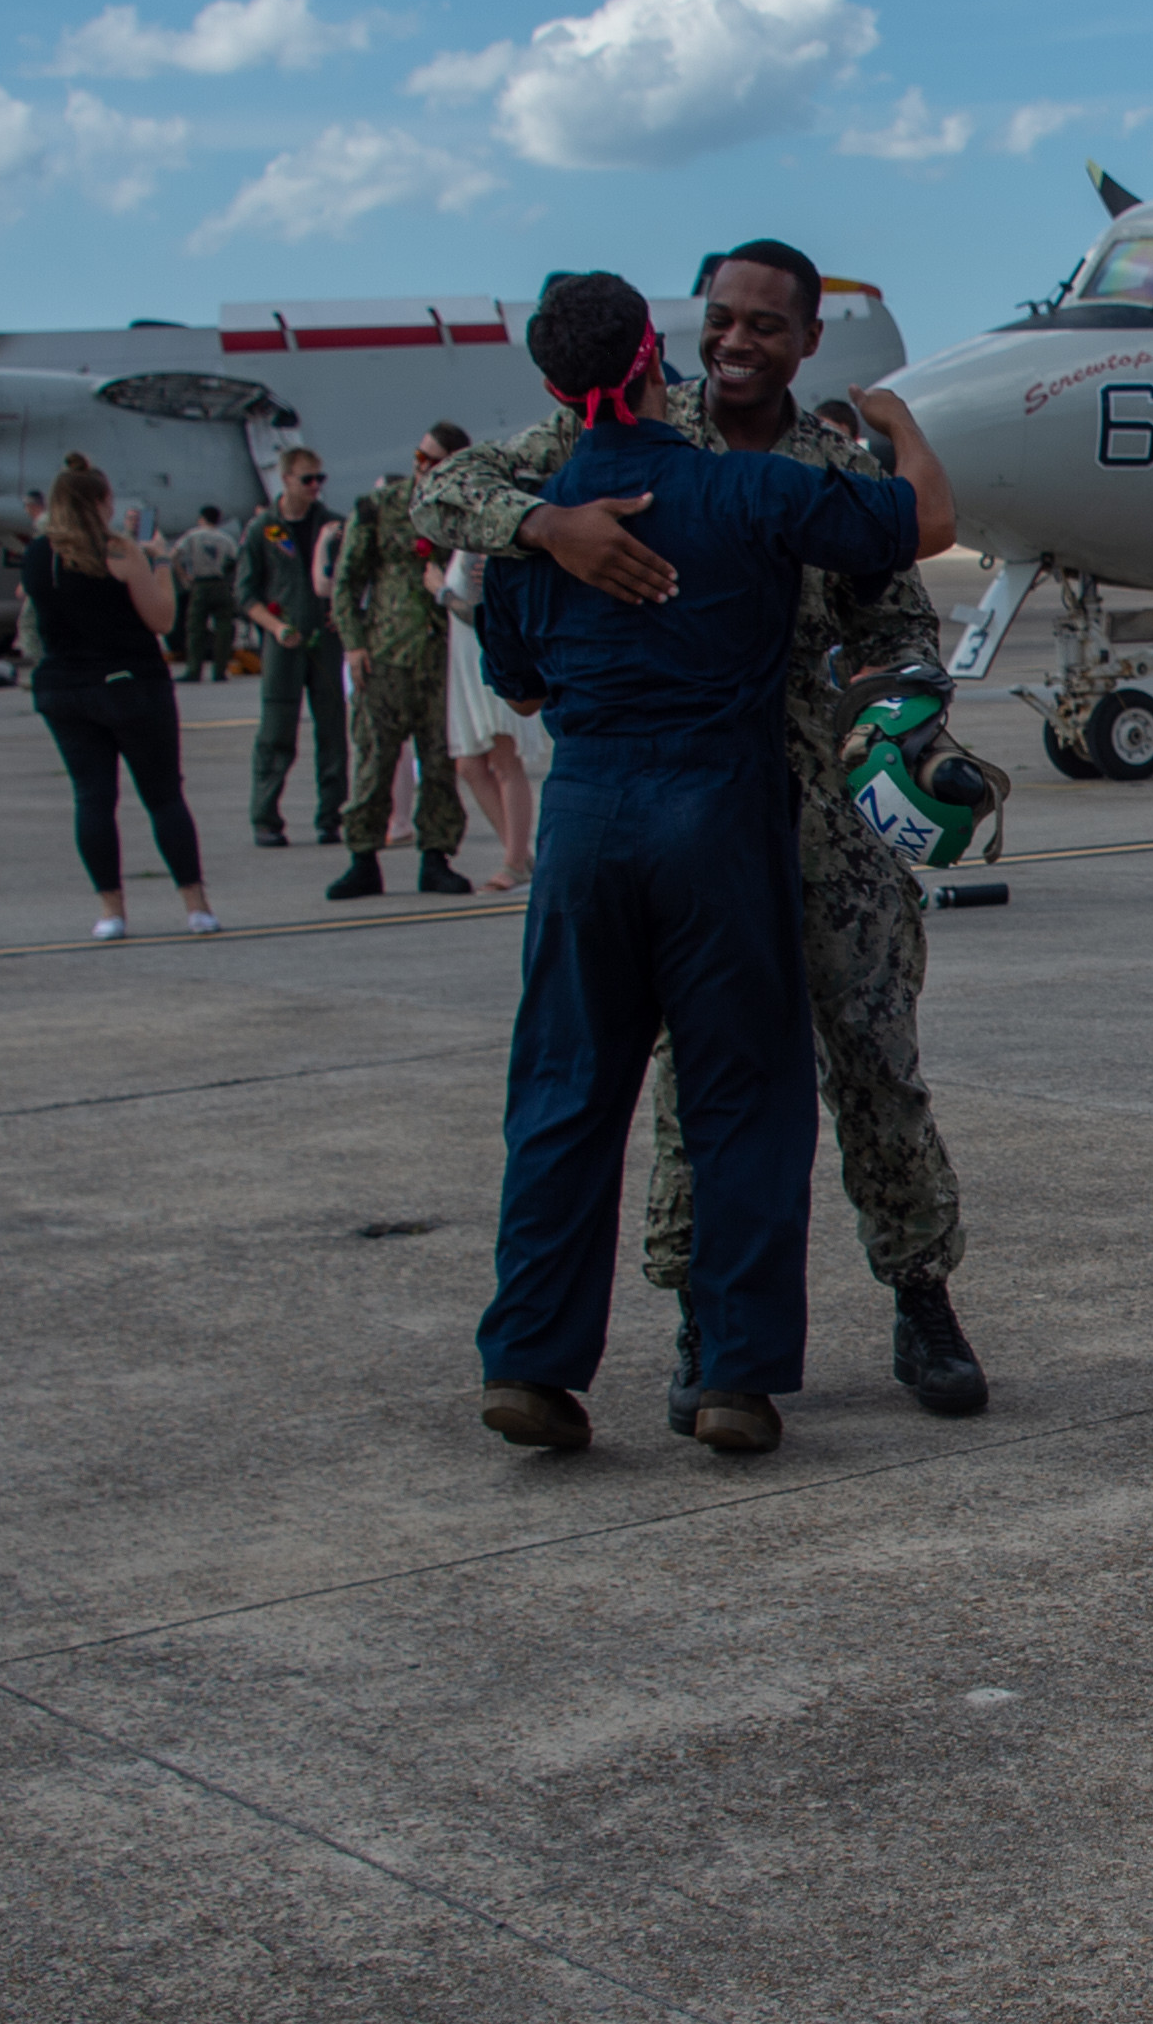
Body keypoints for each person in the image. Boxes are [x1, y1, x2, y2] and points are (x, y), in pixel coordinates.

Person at [420, 239, 988, 1421]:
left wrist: (896, 707)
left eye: (765, 327)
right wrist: (547, 528)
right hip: (712, 818)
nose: (736, 342)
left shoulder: (807, 460)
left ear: (806, 341)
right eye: (719, 319)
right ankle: (707, 1331)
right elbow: (447, 493)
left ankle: (919, 1294)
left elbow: (903, 619)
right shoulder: (637, 445)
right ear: (679, 334)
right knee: (706, 1091)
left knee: (873, 1061)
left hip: (811, 820)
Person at [20, 455, 216, 940]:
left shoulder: (37, 554)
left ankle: (111, 912)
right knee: (164, 796)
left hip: (64, 688)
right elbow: (162, 619)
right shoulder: (118, 552)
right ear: (100, 502)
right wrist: (162, 561)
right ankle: (195, 905)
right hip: (130, 685)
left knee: (92, 798)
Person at [328, 426, 476, 900]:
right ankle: (363, 857)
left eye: (432, 461)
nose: (422, 467)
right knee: (374, 761)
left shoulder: (459, 510)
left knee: (438, 762)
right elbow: (346, 582)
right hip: (385, 653)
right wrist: (354, 644)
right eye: (419, 457)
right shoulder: (379, 507)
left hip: (439, 655)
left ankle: (436, 857)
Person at [238, 448, 348, 847]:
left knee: (333, 731)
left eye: (320, 478)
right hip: (284, 644)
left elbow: (355, 577)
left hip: (326, 641)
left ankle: (331, 817)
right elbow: (245, 593)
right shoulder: (263, 529)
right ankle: (266, 817)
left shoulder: (333, 525)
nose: (315, 486)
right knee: (275, 732)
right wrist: (276, 627)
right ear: (286, 480)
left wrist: (344, 609)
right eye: (307, 479)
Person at [435, 546, 547, 890]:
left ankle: (514, 860)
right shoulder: (460, 547)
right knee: (469, 765)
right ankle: (520, 855)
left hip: (487, 659)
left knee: (503, 759)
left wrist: (440, 591)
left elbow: (478, 609)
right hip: (464, 664)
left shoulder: (481, 551)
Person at [175, 506, 241, 683]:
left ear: (201, 518)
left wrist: (183, 577)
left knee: (195, 629)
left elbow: (174, 555)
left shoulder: (192, 535)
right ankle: (220, 671)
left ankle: (194, 670)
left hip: (200, 585)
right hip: (220, 585)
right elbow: (236, 560)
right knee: (224, 629)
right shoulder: (225, 538)